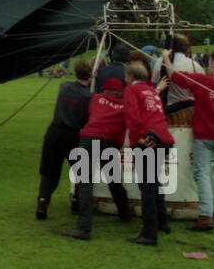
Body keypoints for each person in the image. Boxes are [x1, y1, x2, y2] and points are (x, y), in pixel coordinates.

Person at [164, 49, 214, 231]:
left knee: (202, 173)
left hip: (206, 137)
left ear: (213, 64)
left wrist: (166, 58)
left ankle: (205, 215)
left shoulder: (205, 82)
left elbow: (175, 76)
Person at [59, 77, 132, 240]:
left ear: (104, 90)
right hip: (110, 142)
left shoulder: (96, 99)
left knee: (85, 183)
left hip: (90, 138)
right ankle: (125, 213)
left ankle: (84, 228)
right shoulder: (125, 105)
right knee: (114, 181)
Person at [37, 59, 94, 221]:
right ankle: (76, 201)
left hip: (54, 132)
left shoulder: (64, 87)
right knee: (80, 171)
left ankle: (42, 202)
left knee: (49, 171)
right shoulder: (89, 97)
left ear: (75, 72)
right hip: (73, 135)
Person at [123, 61, 174, 246]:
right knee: (155, 182)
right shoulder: (152, 91)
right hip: (164, 139)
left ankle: (149, 233)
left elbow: (132, 116)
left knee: (147, 187)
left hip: (148, 140)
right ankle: (163, 222)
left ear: (130, 77)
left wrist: (138, 138)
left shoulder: (131, 91)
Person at [151, 33, 196, 121]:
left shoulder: (159, 62)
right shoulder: (195, 65)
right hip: (188, 113)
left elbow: (154, 84)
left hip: (165, 112)